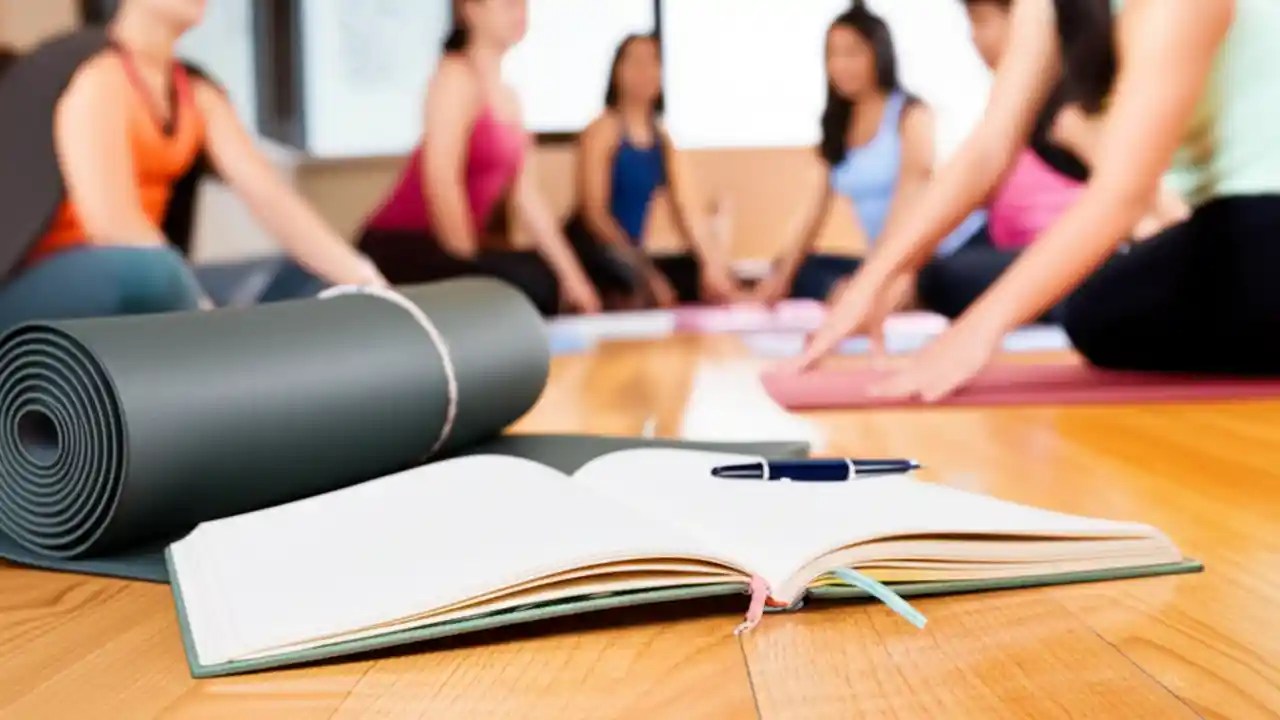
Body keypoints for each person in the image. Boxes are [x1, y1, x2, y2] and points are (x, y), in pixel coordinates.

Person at [795, 0, 1280, 400]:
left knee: (1096, 312)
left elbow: (1122, 195)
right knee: (1098, 313)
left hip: (1263, 214)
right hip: (1222, 224)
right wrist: (872, 279)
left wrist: (973, 333)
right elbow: (989, 148)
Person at [0, 0, 385, 333]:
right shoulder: (98, 75)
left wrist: (365, 278)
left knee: (305, 277)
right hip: (47, 280)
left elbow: (272, 199)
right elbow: (111, 223)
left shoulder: (196, 93)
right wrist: (198, 306)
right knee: (155, 273)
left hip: (150, 270)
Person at [357, 0, 601, 317]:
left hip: (452, 248)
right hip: (399, 245)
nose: (520, 11)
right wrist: (470, 270)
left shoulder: (511, 99)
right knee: (529, 284)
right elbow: (441, 181)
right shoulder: (454, 75)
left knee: (544, 277)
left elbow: (528, 198)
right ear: (470, 10)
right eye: (508, 4)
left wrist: (575, 279)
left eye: (523, 4)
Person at [753, 1, 988, 304]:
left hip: (935, 251)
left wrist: (875, 277)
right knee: (801, 269)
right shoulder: (837, 126)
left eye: (852, 53)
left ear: (878, 54)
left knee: (932, 279)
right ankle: (862, 294)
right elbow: (811, 213)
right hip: (884, 258)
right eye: (832, 55)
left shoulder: (910, 115)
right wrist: (779, 279)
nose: (840, 65)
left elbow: (909, 207)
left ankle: (890, 295)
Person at [916, 0, 1089, 320]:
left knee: (943, 275)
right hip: (1007, 247)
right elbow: (975, 185)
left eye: (982, 23)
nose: (974, 38)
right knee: (933, 271)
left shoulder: (1066, 107)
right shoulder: (1007, 116)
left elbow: (1129, 191)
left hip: (1063, 254)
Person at [565, 34, 743, 307]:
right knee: (639, 289)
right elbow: (595, 215)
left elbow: (687, 212)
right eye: (634, 62)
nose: (644, 71)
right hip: (595, 250)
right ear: (616, 72)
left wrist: (712, 265)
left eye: (652, 62)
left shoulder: (662, 139)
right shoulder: (603, 130)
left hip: (632, 254)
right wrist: (645, 271)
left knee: (695, 277)